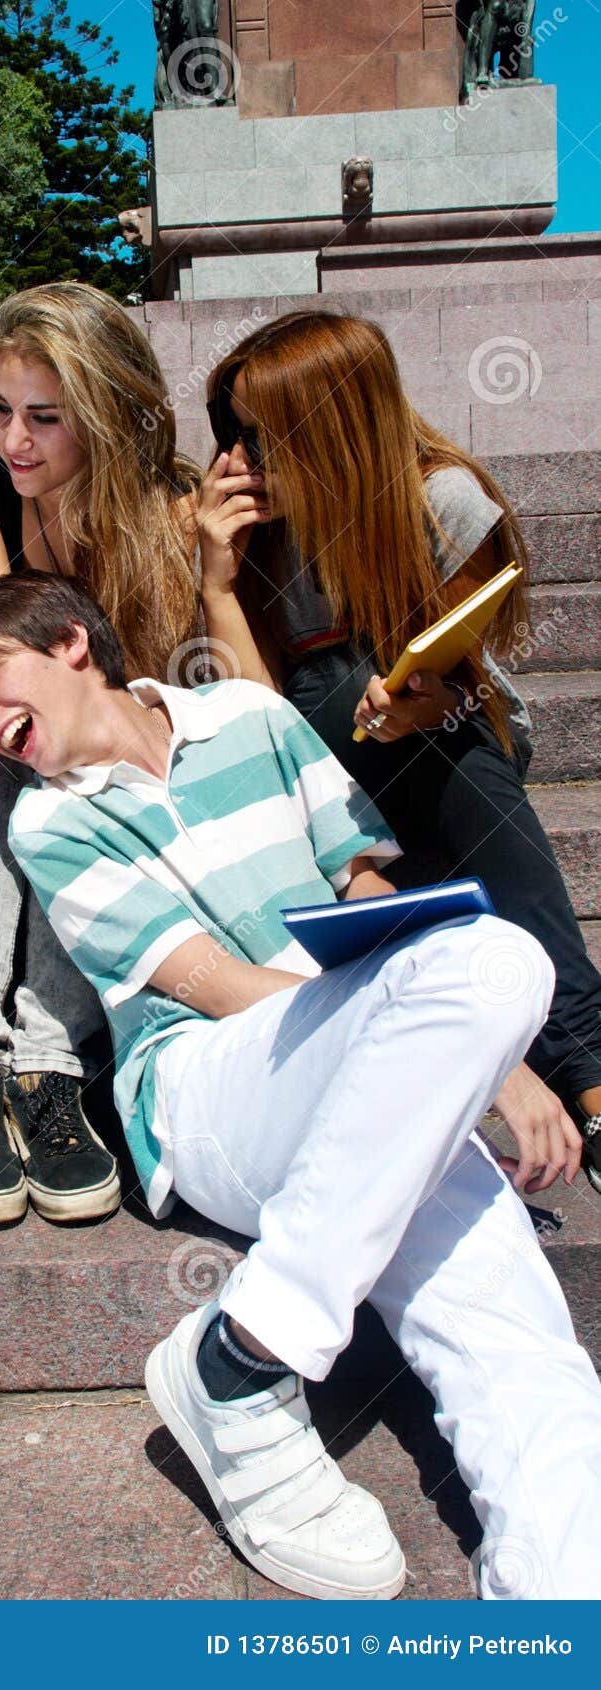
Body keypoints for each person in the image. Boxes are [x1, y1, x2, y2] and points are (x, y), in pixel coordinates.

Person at [0, 570, 601, 1601]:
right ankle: (240, 1361)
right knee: (495, 965)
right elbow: (213, 983)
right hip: (210, 1090)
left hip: (369, 1072)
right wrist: (450, 1039)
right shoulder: (48, 825)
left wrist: (472, 1055)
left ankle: (556, 1609)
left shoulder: (250, 714)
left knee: (518, 1341)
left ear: (66, 643)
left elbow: (364, 882)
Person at [196, 308, 601, 1187]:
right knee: (334, 683)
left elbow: (463, 677)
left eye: (265, 437)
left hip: (449, 736)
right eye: (236, 436)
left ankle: (589, 1074)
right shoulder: (256, 529)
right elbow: (257, 727)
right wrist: (220, 583)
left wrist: (423, 705)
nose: (245, 461)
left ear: (330, 427)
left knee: (447, 756)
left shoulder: (444, 501)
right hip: (319, 758)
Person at [0, 282, 201, 1227]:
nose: (13, 440)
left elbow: (140, 689)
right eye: (0, 409)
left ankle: (49, 1066)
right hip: (25, 738)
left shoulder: (168, 506)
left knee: (62, 767)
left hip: (116, 743)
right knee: (1, 754)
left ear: (104, 417)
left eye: (43, 417)